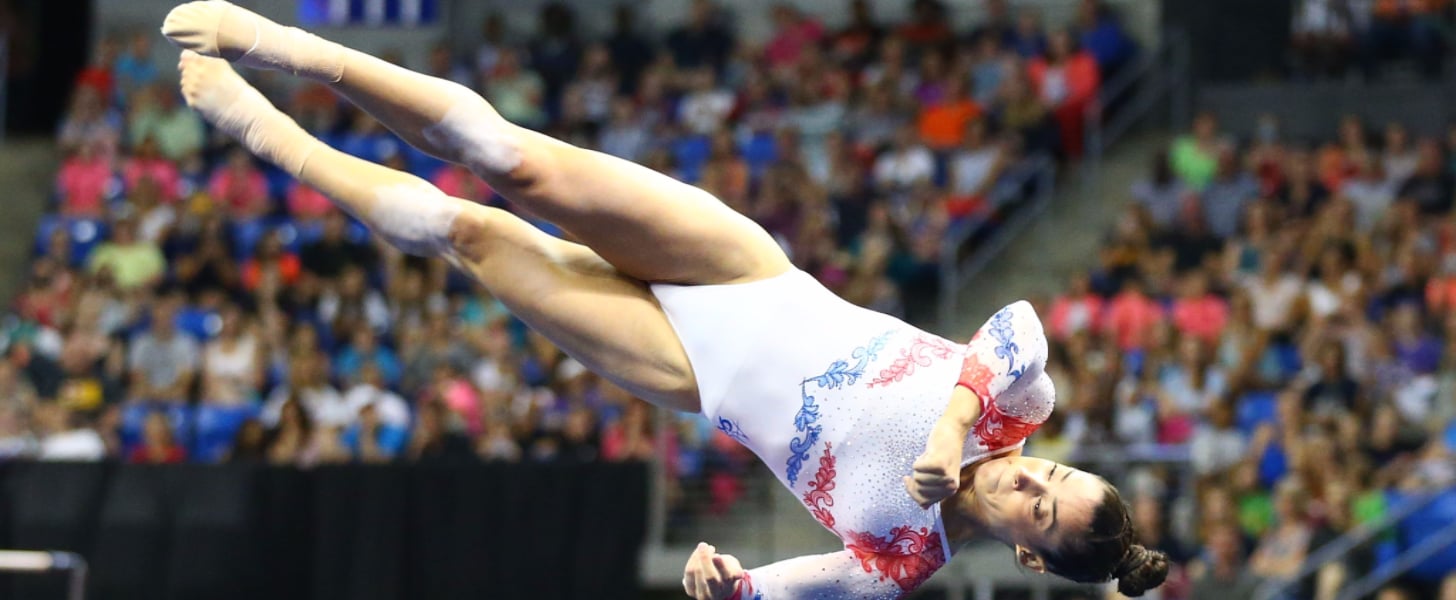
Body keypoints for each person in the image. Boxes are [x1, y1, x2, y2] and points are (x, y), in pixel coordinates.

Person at [160, 4, 1169, 598]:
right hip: (744, 273)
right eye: (1056, 476)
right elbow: (1018, 325)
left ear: (1029, 560)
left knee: (459, 233)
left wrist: (718, 577)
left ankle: (267, 134)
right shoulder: (1012, 405)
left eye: (1040, 512)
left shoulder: (898, 561)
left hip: (689, 369)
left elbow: (767, 590)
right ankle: (284, 44)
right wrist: (953, 425)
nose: (1031, 483)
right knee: (509, 160)